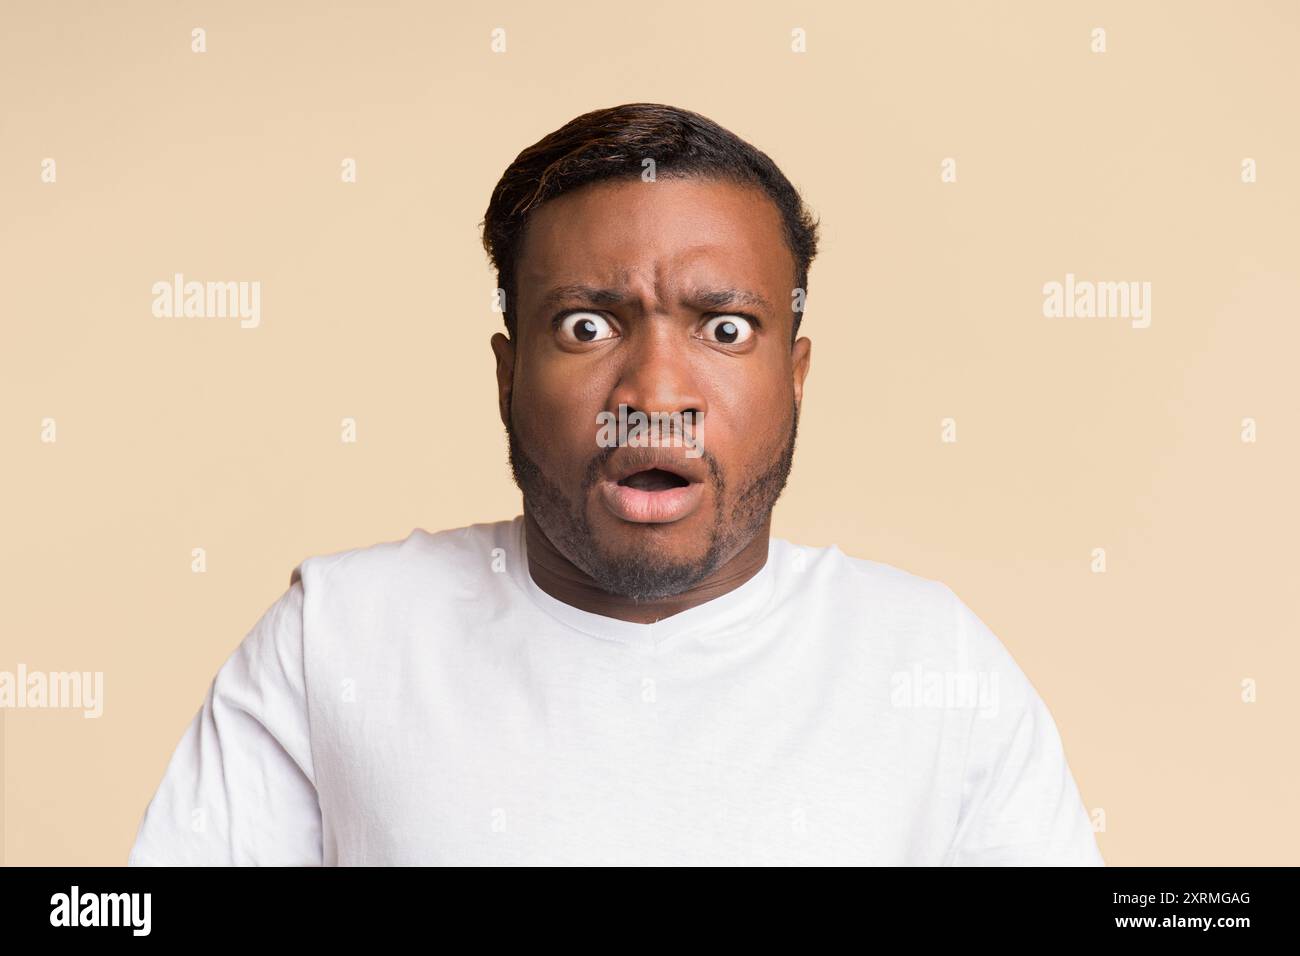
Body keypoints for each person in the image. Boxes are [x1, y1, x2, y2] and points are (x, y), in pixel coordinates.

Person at [128, 103, 1103, 866]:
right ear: (507, 374)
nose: (654, 391)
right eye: (587, 325)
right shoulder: (335, 637)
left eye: (723, 326)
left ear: (793, 375)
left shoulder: (934, 666)